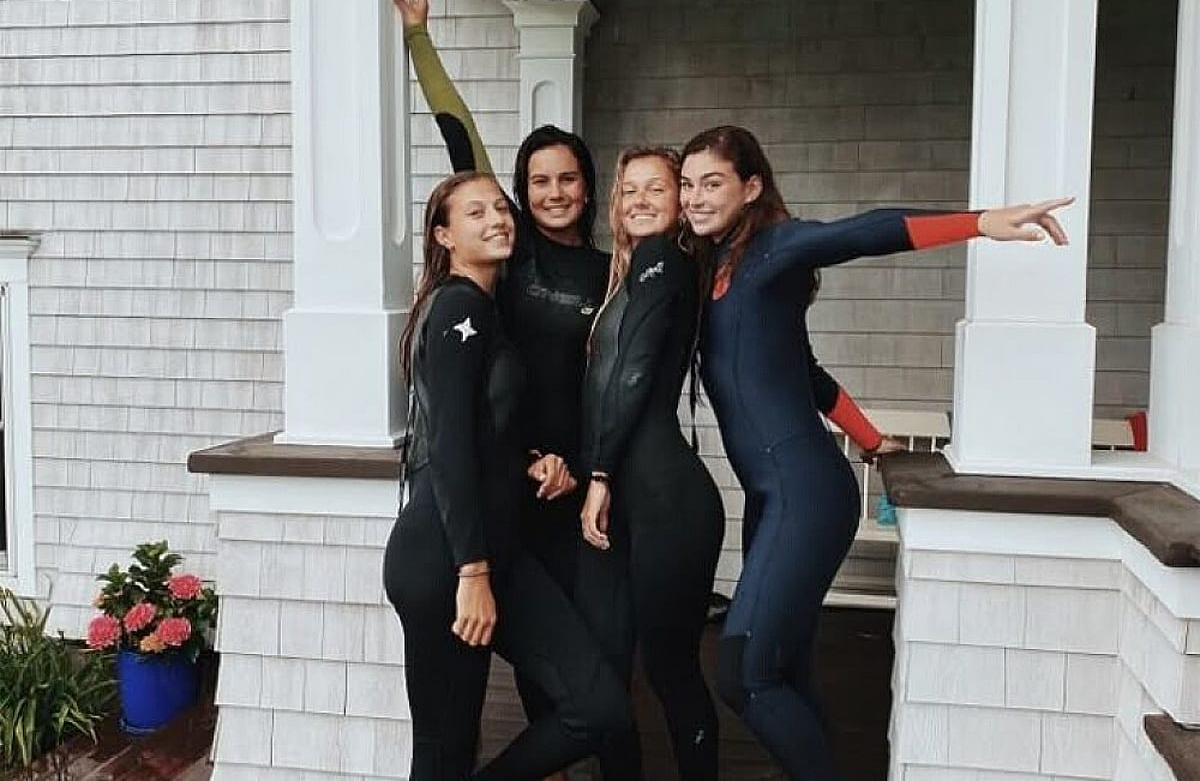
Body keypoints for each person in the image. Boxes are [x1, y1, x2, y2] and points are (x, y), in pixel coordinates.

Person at [678, 125, 1071, 780]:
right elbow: (806, 376)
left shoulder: (776, 247)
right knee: (785, 669)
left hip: (805, 495)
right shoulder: (720, 266)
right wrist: (869, 437)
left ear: (751, 187)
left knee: (744, 674)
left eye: (712, 182)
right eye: (688, 184)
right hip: (774, 497)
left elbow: (865, 231)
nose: (694, 197)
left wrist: (980, 222)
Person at [395, 0, 609, 746]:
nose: (552, 193)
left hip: (555, 482)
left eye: (568, 179)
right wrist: (420, 38)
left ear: (588, 187)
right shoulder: (501, 261)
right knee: (465, 717)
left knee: (577, 683)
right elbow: (460, 134)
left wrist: (582, 467)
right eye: (536, 182)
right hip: (494, 493)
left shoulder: (608, 272)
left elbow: (610, 385)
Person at [382, 171, 631, 781]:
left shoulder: (484, 310)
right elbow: (448, 445)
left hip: (497, 550)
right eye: (475, 213)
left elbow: (482, 432)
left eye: (500, 207)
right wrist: (471, 572)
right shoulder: (458, 306)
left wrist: (530, 461)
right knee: (443, 752)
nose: (497, 219)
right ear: (443, 236)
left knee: (597, 705)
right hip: (446, 559)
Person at [573, 147, 725, 780]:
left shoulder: (663, 257)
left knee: (670, 668)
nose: (639, 200)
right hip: (642, 498)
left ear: (680, 203)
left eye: (655, 189)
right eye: (629, 189)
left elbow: (633, 372)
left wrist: (599, 474)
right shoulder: (637, 270)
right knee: (623, 663)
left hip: (666, 499)